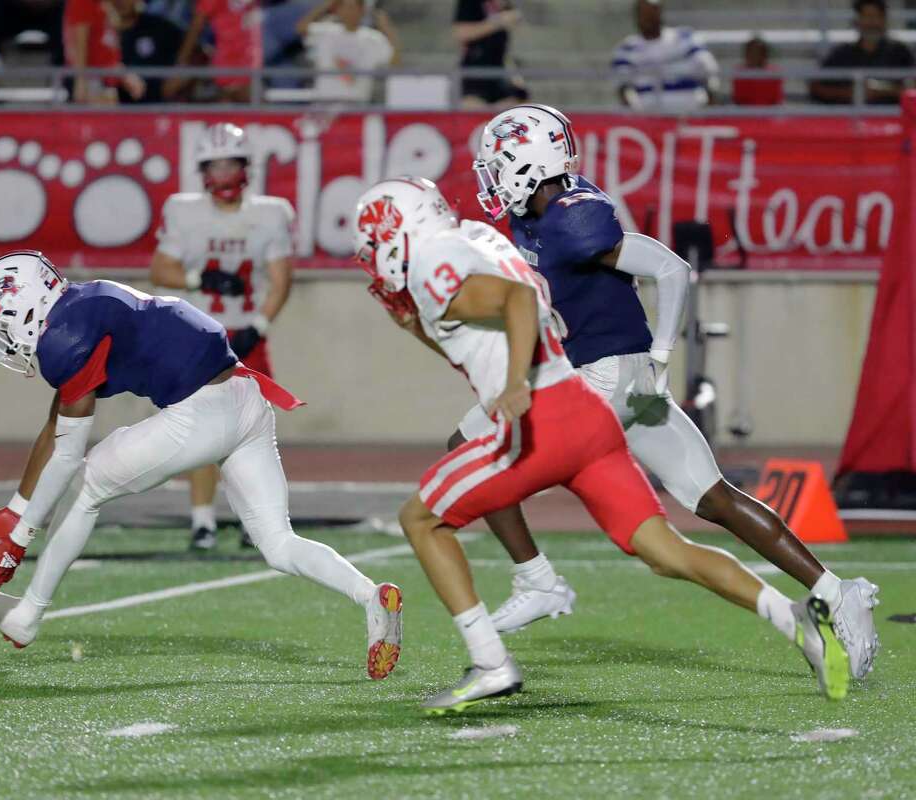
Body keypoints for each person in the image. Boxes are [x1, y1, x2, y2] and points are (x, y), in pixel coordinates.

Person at [355, 176, 850, 713]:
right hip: (586, 414)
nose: (373, 255)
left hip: (542, 421)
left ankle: (493, 658)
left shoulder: (433, 263)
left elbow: (516, 299)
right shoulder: (477, 240)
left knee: (421, 519)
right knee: (666, 552)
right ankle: (795, 619)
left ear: (400, 230)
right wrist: (414, 326)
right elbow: (475, 332)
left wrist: (516, 382)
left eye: (375, 241)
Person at [470, 104, 881, 681]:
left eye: (497, 165)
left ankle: (536, 579)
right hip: (617, 377)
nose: (490, 178)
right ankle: (838, 593)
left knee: (476, 447)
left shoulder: (573, 219)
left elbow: (670, 269)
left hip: (608, 378)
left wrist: (662, 353)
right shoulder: (537, 216)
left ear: (527, 164)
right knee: (712, 497)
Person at [0, 251, 404, 682]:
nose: (5, 340)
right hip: (246, 398)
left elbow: (67, 453)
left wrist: (20, 537)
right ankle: (371, 596)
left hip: (202, 413)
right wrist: (17, 508)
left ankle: (28, 614)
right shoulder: (84, 303)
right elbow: (56, 425)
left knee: (86, 483)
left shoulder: (65, 337)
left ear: (25, 309)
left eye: (2, 327)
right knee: (278, 543)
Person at [149, 122, 294, 551]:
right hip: (197, 333)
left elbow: (281, 279)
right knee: (202, 430)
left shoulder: (270, 213)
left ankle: (256, 521)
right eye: (216, 165)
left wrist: (258, 327)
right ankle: (203, 521)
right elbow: (160, 270)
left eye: (231, 164)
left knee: (253, 432)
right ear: (203, 171)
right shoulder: (185, 211)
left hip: (246, 332)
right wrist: (200, 277)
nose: (224, 173)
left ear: (246, 167)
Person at [611, 0, 718, 112]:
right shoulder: (627, 48)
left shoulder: (685, 38)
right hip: (648, 114)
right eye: (643, 13)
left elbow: (708, 71)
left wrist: (709, 105)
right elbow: (623, 87)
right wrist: (635, 113)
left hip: (690, 111)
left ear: (660, 12)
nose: (648, 17)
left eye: (652, 11)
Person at [811, 0, 913, 105]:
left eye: (877, 16)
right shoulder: (842, 53)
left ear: (884, 20)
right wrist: (851, 93)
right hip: (849, 113)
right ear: (857, 20)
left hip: (892, 113)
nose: (872, 23)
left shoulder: (900, 52)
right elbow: (816, 87)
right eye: (867, 16)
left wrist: (882, 91)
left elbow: (912, 87)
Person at [296, 0, 399, 104]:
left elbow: (394, 63)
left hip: (356, 104)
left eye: (352, 8)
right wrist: (326, 5)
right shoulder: (325, 32)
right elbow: (301, 29)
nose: (348, 12)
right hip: (325, 102)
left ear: (362, 10)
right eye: (344, 7)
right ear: (338, 10)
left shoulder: (374, 39)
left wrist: (387, 29)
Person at [171, 0, 262, 103]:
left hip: (245, 62)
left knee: (246, 105)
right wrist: (183, 59)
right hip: (236, 63)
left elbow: (197, 26)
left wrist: (182, 59)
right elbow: (197, 25)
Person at [452, 0, 526, 108]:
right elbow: (462, 33)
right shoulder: (470, 3)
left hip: (500, 75)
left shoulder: (506, 5)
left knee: (519, 103)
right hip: (474, 75)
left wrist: (516, 78)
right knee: (474, 110)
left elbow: (505, 48)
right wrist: (499, 21)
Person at [111, 0, 182, 103]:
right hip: (107, 106)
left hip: (155, 106)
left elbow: (191, 52)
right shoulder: (97, 32)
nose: (121, 1)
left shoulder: (159, 27)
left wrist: (178, 74)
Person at [731, 35, 783, 106]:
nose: (754, 55)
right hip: (745, 111)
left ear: (764, 54)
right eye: (751, 52)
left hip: (769, 111)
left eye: (758, 52)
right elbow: (738, 100)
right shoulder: (740, 72)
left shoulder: (774, 72)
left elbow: (776, 100)